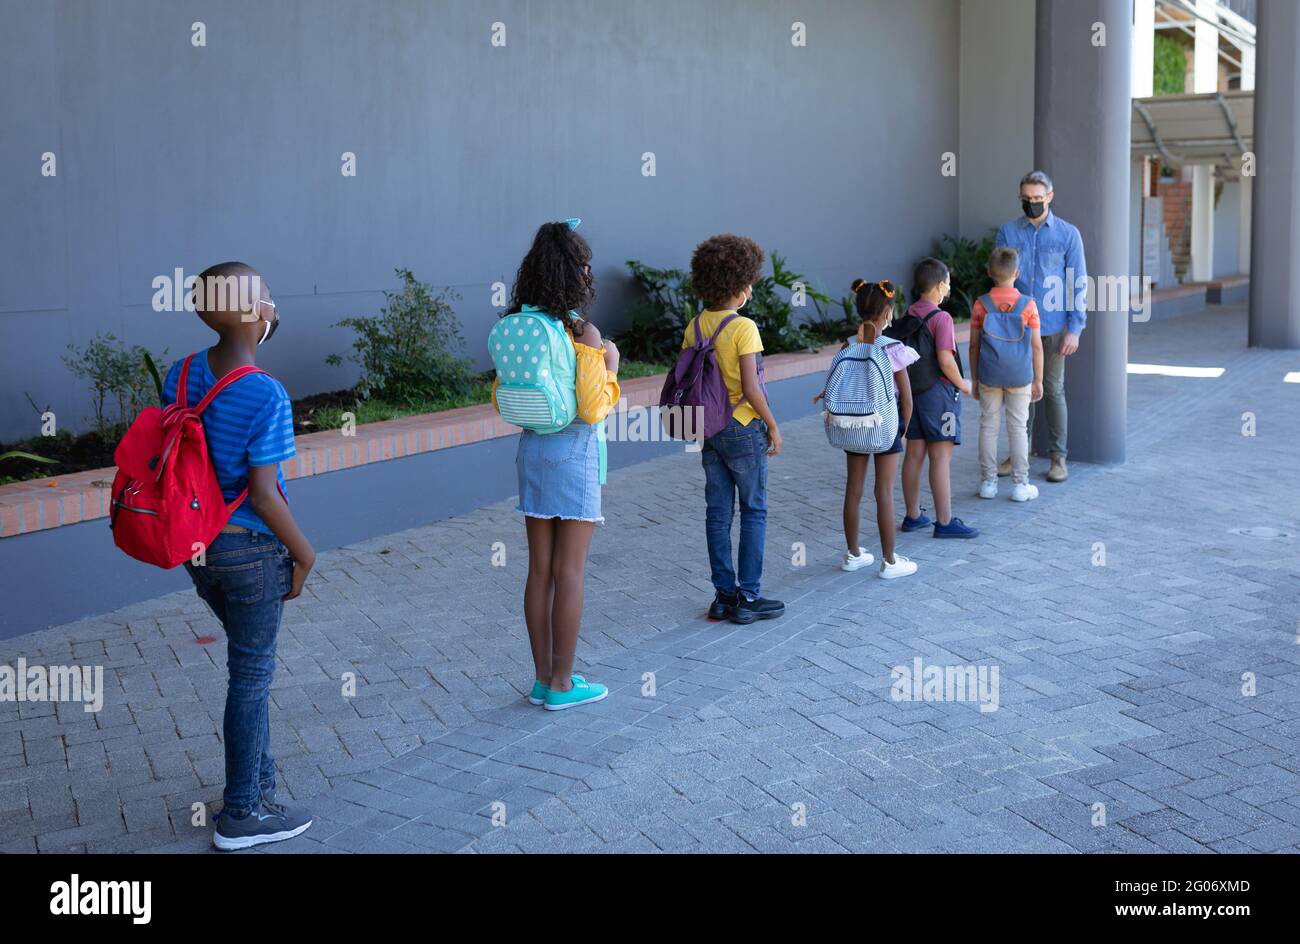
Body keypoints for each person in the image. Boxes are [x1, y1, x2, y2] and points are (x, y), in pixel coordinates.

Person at [164, 261, 315, 850]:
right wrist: (305, 554)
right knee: (251, 679)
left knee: (249, 668)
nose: (275, 306)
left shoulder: (178, 376)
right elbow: (261, 492)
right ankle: (242, 815)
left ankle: (258, 785)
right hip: (250, 551)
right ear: (253, 314)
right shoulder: (267, 393)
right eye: (270, 297)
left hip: (195, 548)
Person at [496, 221, 620, 711]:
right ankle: (564, 686)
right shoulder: (581, 331)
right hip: (574, 453)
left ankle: (543, 678)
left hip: (533, 451)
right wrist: (610, 364)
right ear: (577, 272)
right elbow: (592, 407)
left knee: (541, 570)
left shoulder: (524, 324)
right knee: (571, 572)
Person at [688, 234, 785, 625]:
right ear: (741, 287)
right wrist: (774, 425)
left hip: (708, 428)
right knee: (754, 510)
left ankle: (723, 596)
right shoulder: (743, 327)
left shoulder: (695, 325)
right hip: (744, 428)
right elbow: (751, 388)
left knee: (717, 513)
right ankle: (748, 596)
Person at [994, 169, 1087, 483]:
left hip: (1054, 325)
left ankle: (1058, 458)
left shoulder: (1067, 234)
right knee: (1020, 391)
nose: (1032, 203)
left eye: (1037, 198)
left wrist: (1075, 327)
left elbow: (1077, 283)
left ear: (1049, 197)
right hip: (1016, 326)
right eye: (1026, 199)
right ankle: (1019, 453)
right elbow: (999, 278)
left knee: (1052, 390)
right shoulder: (1008, 232)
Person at [827, 278, 918, 578]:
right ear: (888, 313)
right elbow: (906, 397)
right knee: (884, 492)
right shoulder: (892, 348)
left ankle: (853, 554)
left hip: (854, 423)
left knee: (853, 490)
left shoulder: (848, 345)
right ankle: (889, 561)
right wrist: (903, 430)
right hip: (885, 427)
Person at [898, 257, 979, 539]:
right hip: (940, 396)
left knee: (914, 454)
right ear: (940, 285)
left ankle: (913, 515)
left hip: (913, 394)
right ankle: (944, 521)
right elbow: (946, 360)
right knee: (940, 458)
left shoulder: (909, 314)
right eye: (947, 284)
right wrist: (964, 384)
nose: (948, 289)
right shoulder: (941, 318)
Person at [969, 247, 1044, 502]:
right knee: (1018, 429)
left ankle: (988, 483)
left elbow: (974, 345)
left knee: (988, 427)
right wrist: (1039, 379)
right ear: (1016, 272)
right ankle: (1021, 485)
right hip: (1020, 375)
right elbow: (1036, 346)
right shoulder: (1028, 305)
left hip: (990, 374)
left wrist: (976, 379)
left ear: (990, 272)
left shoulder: (981, 305)